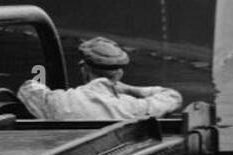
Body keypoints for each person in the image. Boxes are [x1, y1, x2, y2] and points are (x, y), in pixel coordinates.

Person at [16, 37, 182, 121]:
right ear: (119, 75)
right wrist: (131, 89)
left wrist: (42, 85)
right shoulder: (131, 108)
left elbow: (27, 89)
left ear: (84, 69)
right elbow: (172, 97)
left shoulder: (58, 102)